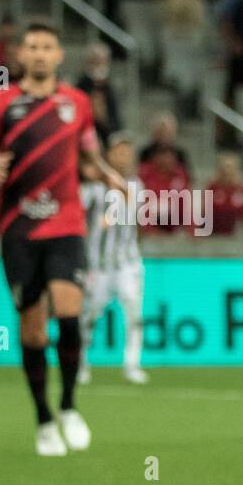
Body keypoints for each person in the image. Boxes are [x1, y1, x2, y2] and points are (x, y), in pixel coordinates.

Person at [0, 21, 123, 455]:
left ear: (58, 56)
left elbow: (88, 156)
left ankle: (70, 405)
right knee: (33, 332)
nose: (39, 54)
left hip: (66, 225)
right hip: (18, 228)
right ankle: (42, 419)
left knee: (69, 311)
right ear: (21, 56)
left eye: (47, 47)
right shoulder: (1, 103)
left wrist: (111, 178)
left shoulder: (76, 104)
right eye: (32, 46)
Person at [79, 133, 147, 385]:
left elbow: (131, 215)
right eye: (119, 151)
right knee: (88, 314)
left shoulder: (136, 185)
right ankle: (81, 363)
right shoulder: (92, 187)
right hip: (97, 264)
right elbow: (80, 213)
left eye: (127, 151)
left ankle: (132, 364)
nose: (124, 156)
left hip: (127, 263)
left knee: (134, 313)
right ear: (109, 154)